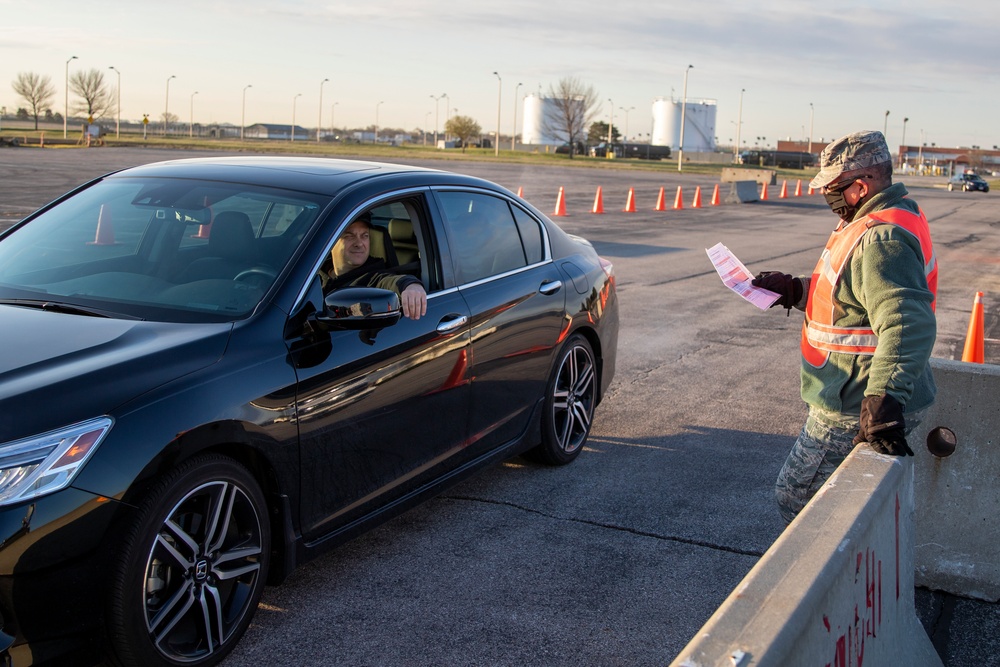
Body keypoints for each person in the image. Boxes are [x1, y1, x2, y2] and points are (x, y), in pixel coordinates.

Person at [751, 130, 937, 524]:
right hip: (854, 390)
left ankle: (826, 582)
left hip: (857, 400)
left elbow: (907, 320)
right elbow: (850, 297)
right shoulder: (885, 216)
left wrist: (885, 398)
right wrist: (793, 289)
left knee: (798, 498)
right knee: (844, 509)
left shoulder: (880, 236)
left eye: (834, 187)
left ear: (862, 183)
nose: (829, 196)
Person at [323, 214, 427, 321]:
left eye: (365, 236)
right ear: (330, 243)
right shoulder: (315, 270)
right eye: (349, 236)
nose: (359, 243)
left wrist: (410, 285)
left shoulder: (373, 278)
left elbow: (389, 281)